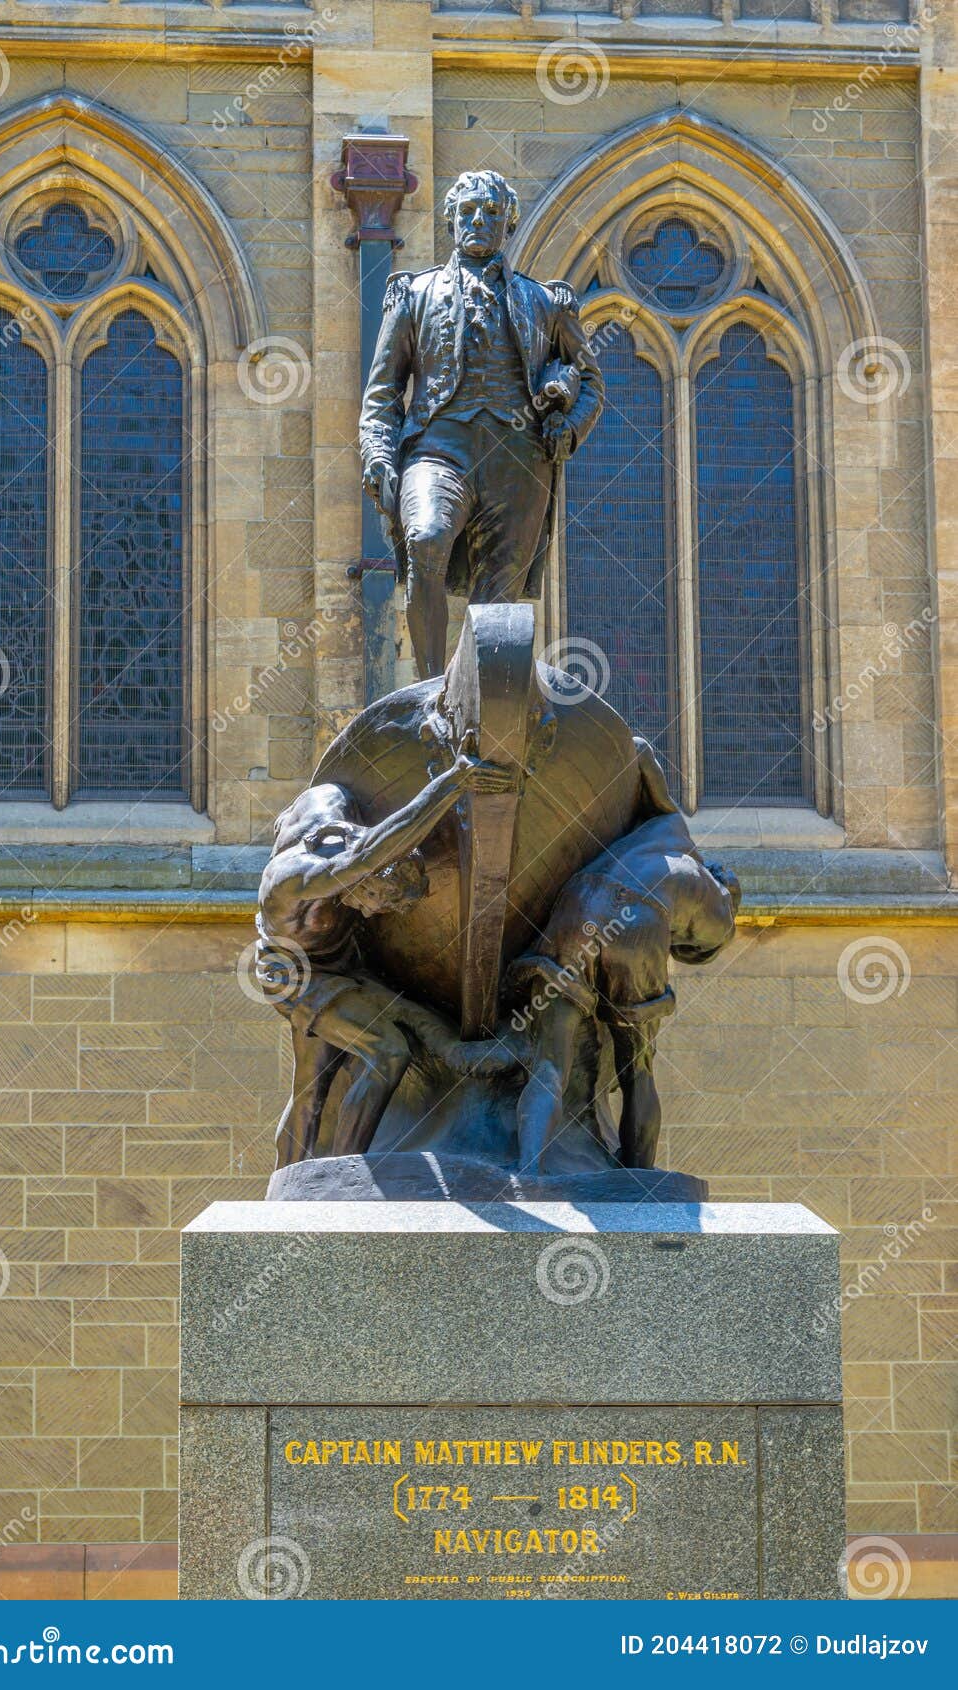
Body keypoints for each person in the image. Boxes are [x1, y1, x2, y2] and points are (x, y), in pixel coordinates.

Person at [359, 168, 604, 679]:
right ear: (450, 221)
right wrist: (379, 456)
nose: (478, 221)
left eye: (492, 213)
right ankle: (427, 689)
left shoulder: (546, 301)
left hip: (519, 460)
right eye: (467, 211)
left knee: (497, 607)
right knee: (425, 538)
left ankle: (472, 710)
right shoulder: (413, 294)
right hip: (438, 447)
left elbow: (591, 382)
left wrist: (569, 426)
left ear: (508, 224)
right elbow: (383, 394)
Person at [256, 749, 515, 1167]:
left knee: (311, 1086)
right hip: (296, 975)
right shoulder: (300, 879)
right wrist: (452, 782)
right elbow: (371, 852)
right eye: (376, 900)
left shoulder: (333, 805)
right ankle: (341, 1176)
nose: (373, 913)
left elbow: (365, 840)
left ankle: (293, 1178)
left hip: (342, 967)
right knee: (387, 1052)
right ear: (362, 873)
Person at [507, 795, 741, 1176]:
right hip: (639, 921)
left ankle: (527, 1173)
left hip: (580, 900)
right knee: (637, 1071)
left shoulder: (668, 830)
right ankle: (637, 1178)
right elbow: (698, 951)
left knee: (549, 1064)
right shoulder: (720, 904)